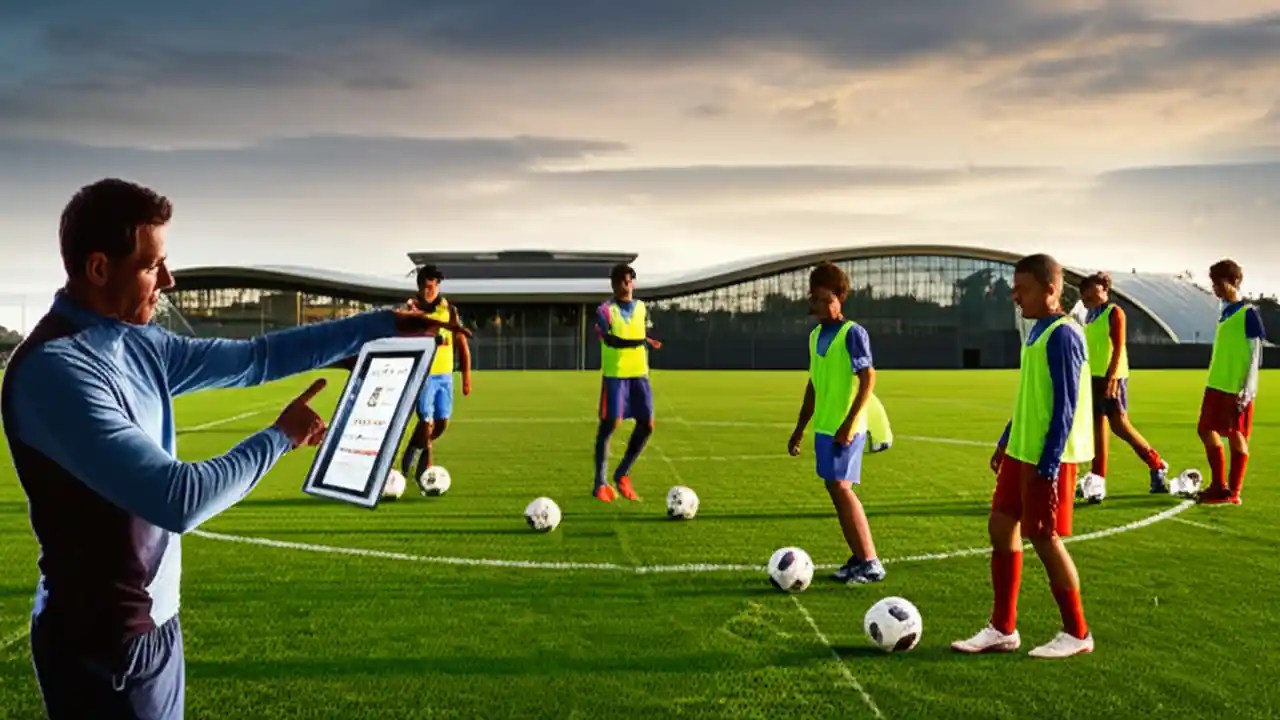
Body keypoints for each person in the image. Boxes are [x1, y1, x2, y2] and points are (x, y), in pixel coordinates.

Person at [0, 178, 469, 720]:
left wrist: (382, 325)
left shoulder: (134, 340)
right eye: (153, 266)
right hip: (102, 644)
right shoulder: (57, 371)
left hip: (151, 627)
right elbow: (177, 499)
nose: (169, 281)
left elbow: (255, 358)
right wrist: (280, 436)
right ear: (99, 268)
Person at [952, 253, 1094, 659]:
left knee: (1044, 538)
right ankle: (1003, 628)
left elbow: (1066, 405)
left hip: (1048, 457)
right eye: (1014, 289)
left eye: (1023, 289)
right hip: (1021, 451)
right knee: (1000, 526)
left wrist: (1049, 464)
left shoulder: (1065, 335)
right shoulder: (1035, 332)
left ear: (1051, 289)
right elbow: (1031, 396)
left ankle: (1077, 632)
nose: (1015, 297)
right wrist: (1006, 440)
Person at [787, 262, 886, 585]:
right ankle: (859, 557)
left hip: (846, 429)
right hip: (824, 428)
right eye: (813, 298)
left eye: (821, 297)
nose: (814, 304)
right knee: (835, 487)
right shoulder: (815, 336)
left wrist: (850, 423)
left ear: (839, 296)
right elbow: (814, 385)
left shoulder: (852, 333)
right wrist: (800, 428)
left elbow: (868, 378)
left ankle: (870, 561)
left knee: (841, 488)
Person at [1078, 272, 1169, 497]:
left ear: (1105, 290)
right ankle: (1097, 478)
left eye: (1094, 289)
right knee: (1097, 428)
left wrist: (1111, 378)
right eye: (1085, 291)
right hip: (1093, 376)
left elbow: (1119, 347)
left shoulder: (1114, 312)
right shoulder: (1088, 316)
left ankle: (1156, 464)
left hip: (1112, 377)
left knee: (1120, 426)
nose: (1088, 294)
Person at [1197, 259, 1265, 505]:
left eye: (1219, 283)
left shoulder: (1249, 313)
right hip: (1216, 382)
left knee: (1236, 435)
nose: (1215, 288)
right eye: (1213, 283)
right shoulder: (1223, 312)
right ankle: (1219, 485)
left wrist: (1247, 390)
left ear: (1234, 281)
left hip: (1236, 387)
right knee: (1205, 429)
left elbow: (1255, 353)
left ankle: (1233, 493)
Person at [592, 263, 661, 503]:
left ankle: (622, 473)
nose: (625, 283)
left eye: (628, 278)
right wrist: (638, 342)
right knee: (611, 424)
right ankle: (600, 482)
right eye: (620, 279)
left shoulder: (642, 308)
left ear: (633, 281)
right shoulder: (604, 310)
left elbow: (645, 331)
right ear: (612, 284)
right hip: (615, 375)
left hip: (639, 374)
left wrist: (645, 340)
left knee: (648, 425)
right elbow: (608, 339)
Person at [399, 263, 471, 490]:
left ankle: (416, 444)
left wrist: (466, 376)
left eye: (434, 287)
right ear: (420, 287)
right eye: (427, 287)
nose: (430, 291)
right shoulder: (411, 309)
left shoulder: (450, 311)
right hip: (423, 375)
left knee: (442, 423)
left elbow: (461, 342)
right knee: (426, 420)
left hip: (445, 376)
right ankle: (425, 460)